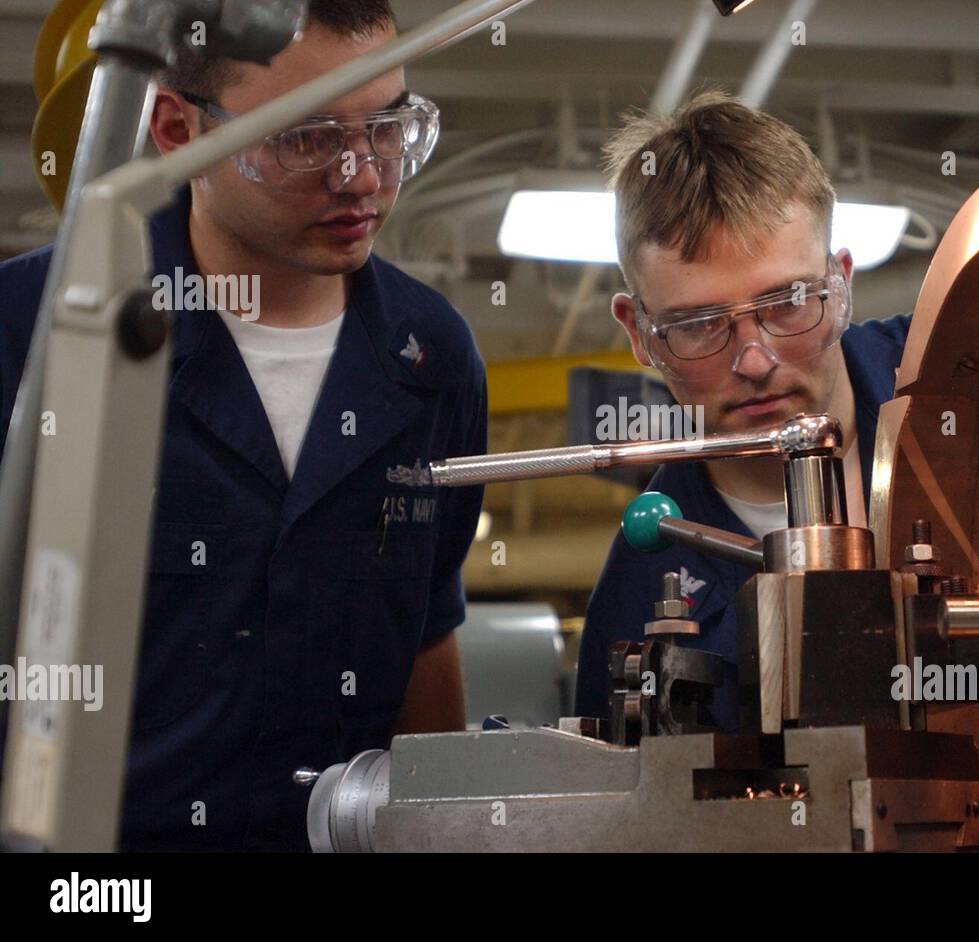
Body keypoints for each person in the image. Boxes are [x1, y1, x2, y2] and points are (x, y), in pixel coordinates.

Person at [0, 0, 485, 851]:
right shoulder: (37, 332)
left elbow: (424, 646)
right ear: (180, 129)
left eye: (387, 127)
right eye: (304, 138)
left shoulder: (430, 358)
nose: (362, 176)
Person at [575, 92, 911, 731]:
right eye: (700, 325)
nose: (754, 360)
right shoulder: (635, 607)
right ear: (639, 333)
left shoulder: (966, 381)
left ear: (841, 285)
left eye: (787, 303)